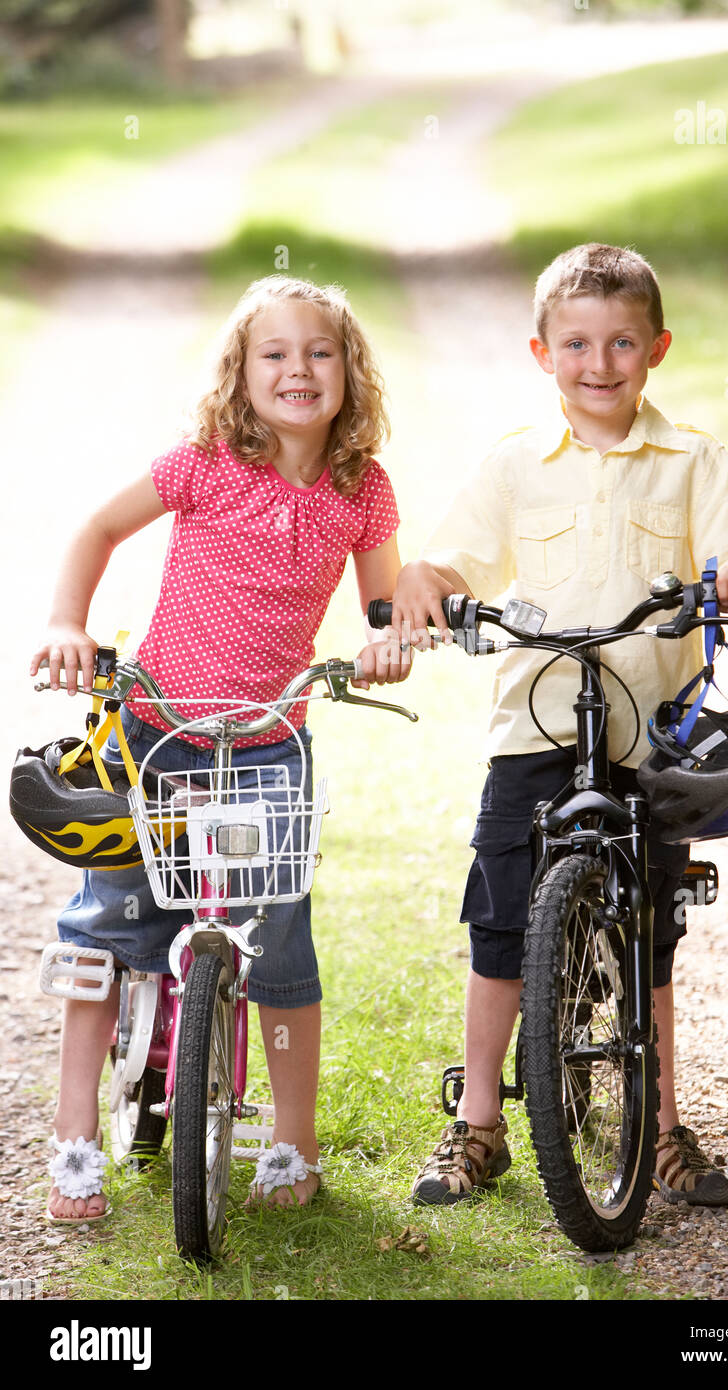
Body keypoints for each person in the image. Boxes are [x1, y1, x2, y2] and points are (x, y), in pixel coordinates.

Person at [391, 243, 728, 1208]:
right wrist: (424, 585)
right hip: (534, 729)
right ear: (542, 352)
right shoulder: (516, 465)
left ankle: (661, 1132)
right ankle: (479, 1122)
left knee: (647, 931)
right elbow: (453, 564)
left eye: (620, 343)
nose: (598, 364)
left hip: (647, 737)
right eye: (576, 344)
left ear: (656, 348)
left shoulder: (693, 459)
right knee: (498, 924)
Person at [31, 275, 408, 1222]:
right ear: (239, 376)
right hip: (157, 731)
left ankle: (292, 1139)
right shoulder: (203, 462)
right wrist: (67, 623)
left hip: (270, 743)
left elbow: (382, 600)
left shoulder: (361, 487)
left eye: (319, 352)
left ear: (350, 371)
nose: (298, 370)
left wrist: (388, 640)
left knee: (277, 944)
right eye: (272, 354)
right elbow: (98, 527)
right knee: (109, 924)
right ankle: (74, 1133)